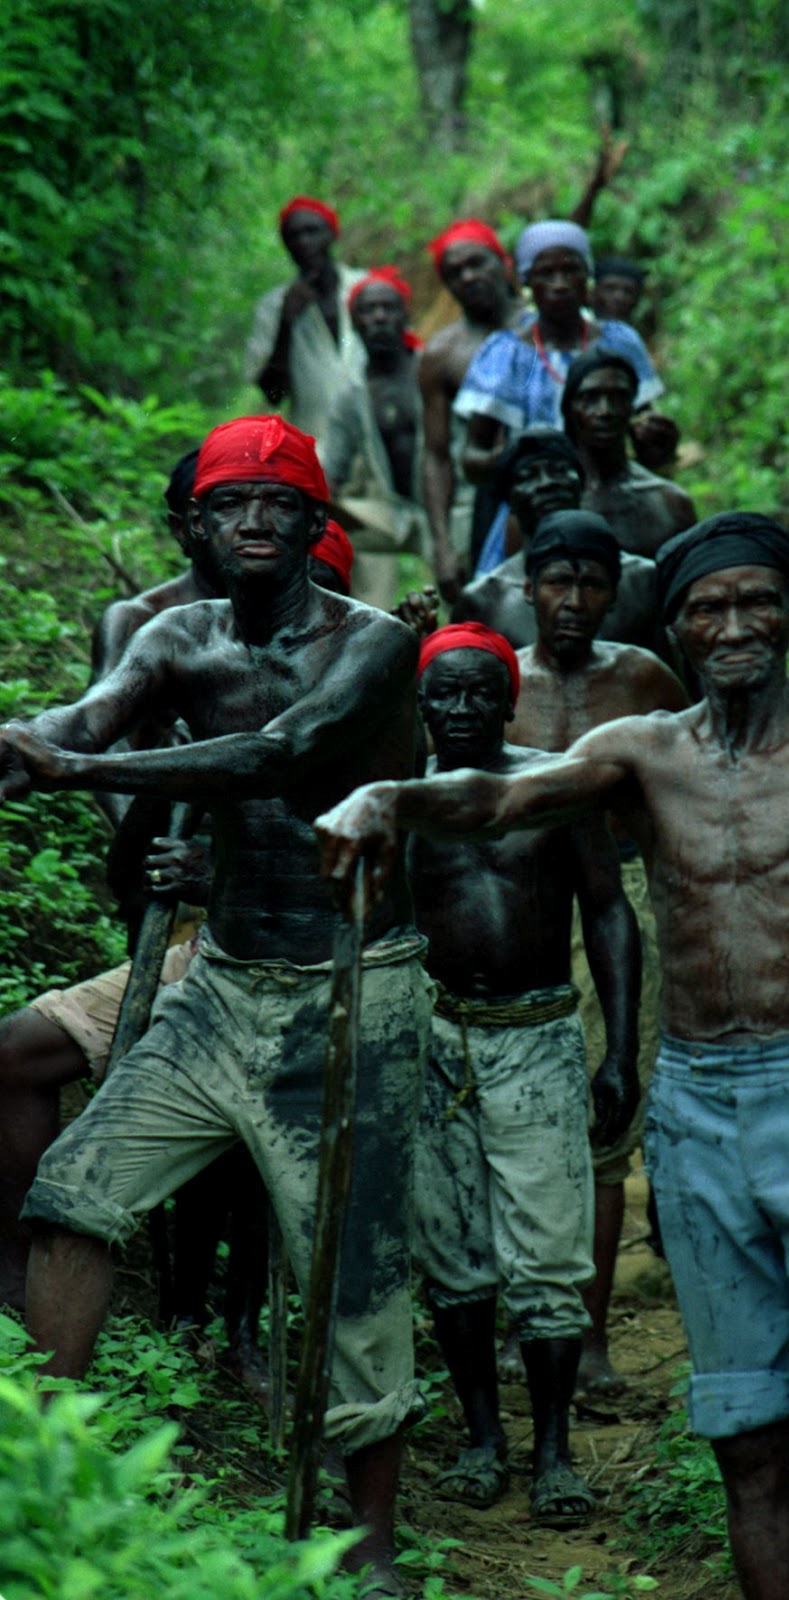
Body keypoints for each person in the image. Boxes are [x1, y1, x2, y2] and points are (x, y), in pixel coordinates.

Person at [315, 512, 789, 1600]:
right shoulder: (644, 753)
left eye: (755, 601)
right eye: (707, 607)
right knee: (748, 1440)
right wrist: (387, 793)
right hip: (699, 1115)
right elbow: (498, 792)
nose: (733, 624)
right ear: (676, 628)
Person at [1, 415, 433, 1598]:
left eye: (279, 507)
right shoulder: (176, 635)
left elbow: (277, 754)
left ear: (313, 527)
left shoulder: (374, 644)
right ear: (196, 524)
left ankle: (376, 1549)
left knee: (351, 1272)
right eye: (232, 506)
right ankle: (54, 1476)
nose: (254, 523)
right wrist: (30, 744)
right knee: (75, 1193)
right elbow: (87, 718)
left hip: (351, 991)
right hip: (223, 982)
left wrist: (78, 769)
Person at [408, 622, 640, 1525]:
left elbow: (611, 915)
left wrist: (616, 1049)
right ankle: (479, 1439)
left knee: (546, 1252)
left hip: (539, 1034)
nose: (462, 709)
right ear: (420, 704)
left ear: (510, 700)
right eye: (444, 694)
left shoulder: (555, 787)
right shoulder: (398, 794)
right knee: (455, 1256)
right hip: (433, 1035)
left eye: (479, 693)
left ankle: (554, 1454)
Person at [508, 511, 687, 1396]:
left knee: (604, 1118)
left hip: (620, 902)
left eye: (589, 583)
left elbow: (691, 777)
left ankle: (588, 1337)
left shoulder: (645, 676)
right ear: (527, 587)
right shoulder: (501, 677)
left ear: (613, 591)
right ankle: (525, 1319)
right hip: (513, 907)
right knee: (512, 1117)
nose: (571, 600)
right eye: (555, 582)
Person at [454, 220, 678, 572]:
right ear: (526, 282)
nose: (559, 284)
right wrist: (522, 460)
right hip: (534, 505)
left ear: (587, 276)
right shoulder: (507, 353)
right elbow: (473, 456)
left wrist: (654, 438)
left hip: (616, 499)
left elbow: (645, 428)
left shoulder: (618, 341)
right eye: (545, 273)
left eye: (570, 270)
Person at [451, 428, 669, 661]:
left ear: (581, 483)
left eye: (559, 470)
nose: (547, 484)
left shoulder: (642, 579)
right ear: (509, 499)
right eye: (528, 476)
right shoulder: (485, 599)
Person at [420, 220, 518, 597]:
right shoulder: (441, 354)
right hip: (476, 501)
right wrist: (442, 548)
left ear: (504, 264)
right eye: (455, 272)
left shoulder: (544, 325)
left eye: (477, 263)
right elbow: (436, 456)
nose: (469, 276)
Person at [321, 267, 428, 609]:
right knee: (309, 531)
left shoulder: (431, 371)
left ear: (405, 316)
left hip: (447, 508)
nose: (379, 317)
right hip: (390, 512)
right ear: (354, 322)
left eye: (388, 307)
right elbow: (331, 470)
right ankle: (341, 618)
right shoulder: (350, 397)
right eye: (368, 310)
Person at [244, 196, 365, 449]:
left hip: (376, 440)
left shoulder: (366, 288)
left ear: (332, 234)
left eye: (312, 231)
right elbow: (273, 395)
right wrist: (287, 322)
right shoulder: (273, 307)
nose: (304, 242)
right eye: (294, 236)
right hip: (316, 446)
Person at [561, 349, 696, 557]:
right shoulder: (549, 497)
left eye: (618, 397)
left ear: (632, 407)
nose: (605, 410)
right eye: (590, 398)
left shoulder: (671, 502)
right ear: (570, 407)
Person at [591, 257, 647, 326]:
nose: (619, 297)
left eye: (628, 291)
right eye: (610, 288)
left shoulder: (630, 335)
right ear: (593, 291)